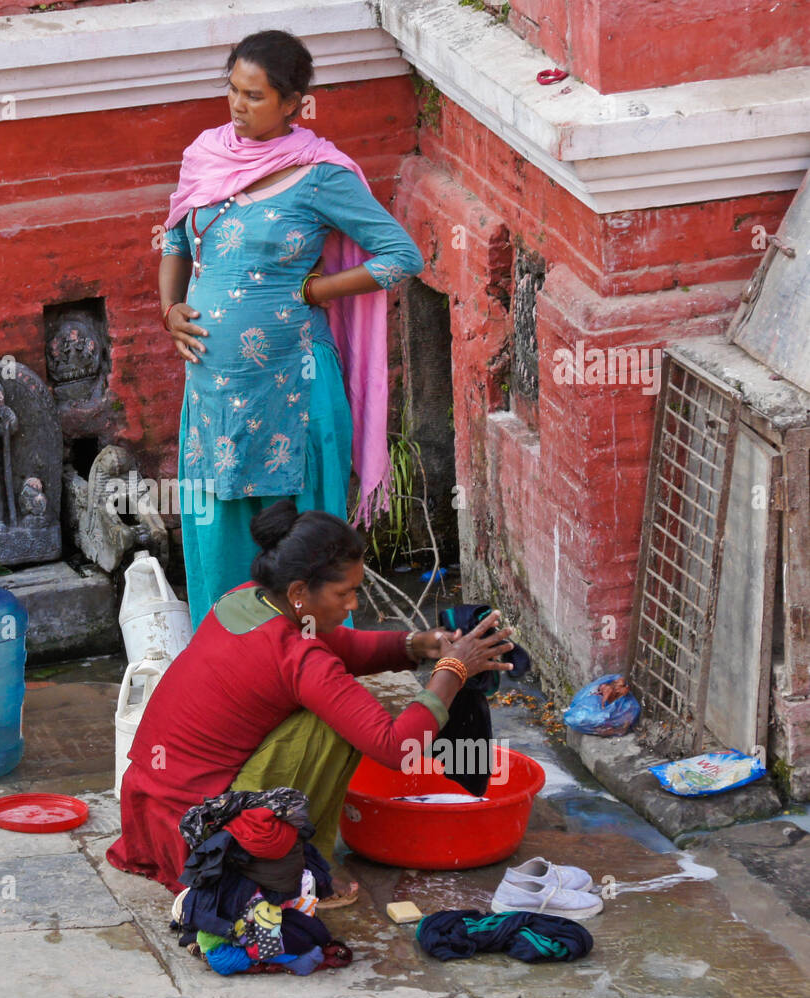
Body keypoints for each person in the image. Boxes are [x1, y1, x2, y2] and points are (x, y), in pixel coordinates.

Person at [106, 500, 514, 895]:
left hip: (149, 808)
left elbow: (340, 644)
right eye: (344, 594)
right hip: (201, 831)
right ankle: (297, 862)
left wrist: (417, 644)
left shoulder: (247, 598)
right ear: (300, 590)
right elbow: (397, 747)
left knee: (334, 702)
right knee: (334, 725)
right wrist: (453, 671)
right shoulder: (298, 656)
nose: (354, 604)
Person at [159, 29, 424, 627]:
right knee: (219, 536)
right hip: (213, 399)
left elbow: (401, 255)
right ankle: (230, 665)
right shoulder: (206, 155)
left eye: (254, 96)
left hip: (294, 392)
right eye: (232, 90)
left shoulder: (320, 174)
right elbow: (176, 236)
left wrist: (314, 289)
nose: (237, 105)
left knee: (300, 547)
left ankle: (313, 670)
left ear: (293, 103)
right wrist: (170, 308)